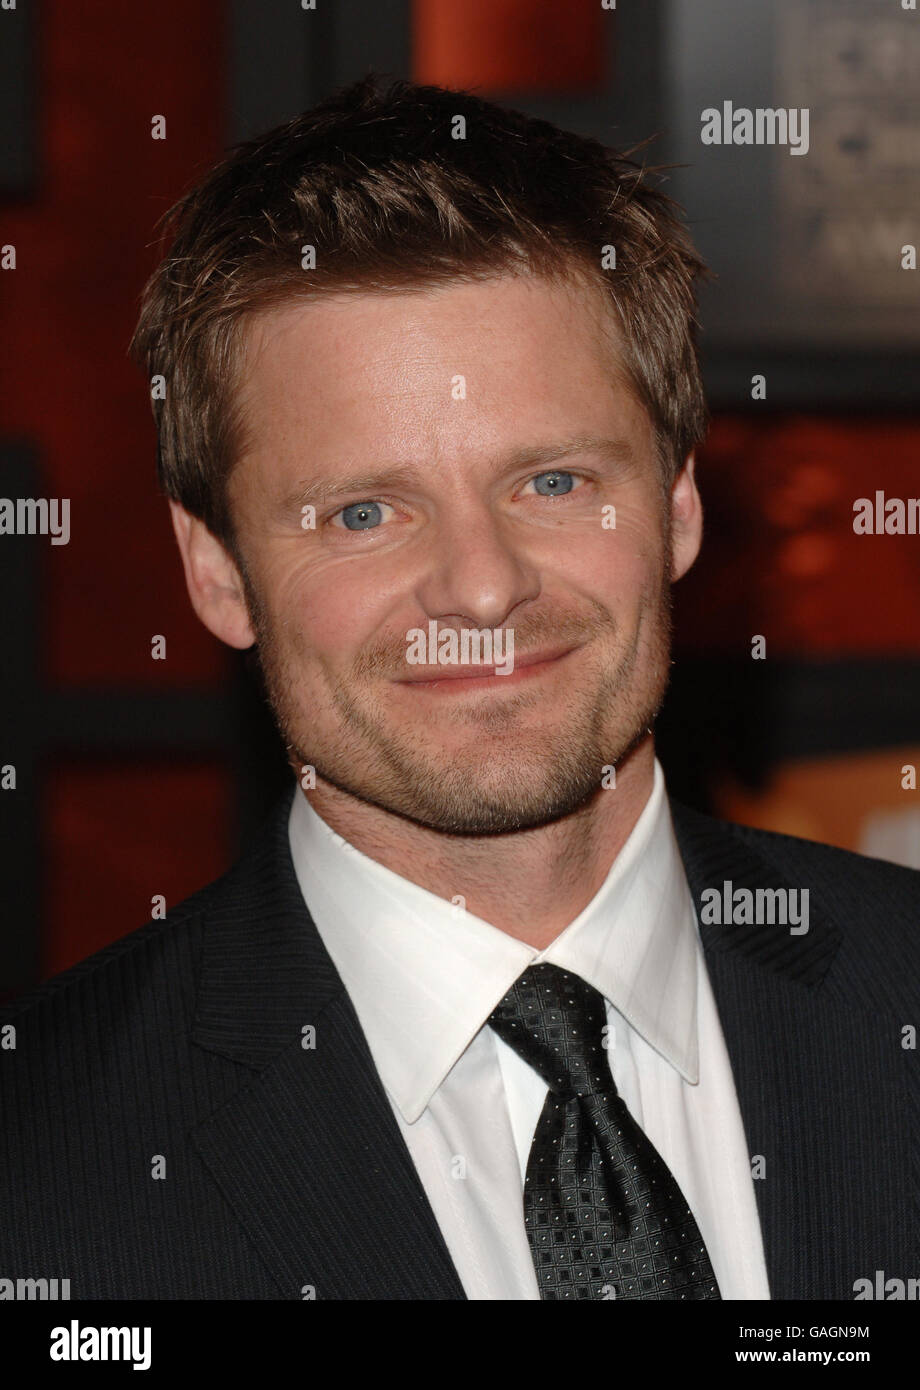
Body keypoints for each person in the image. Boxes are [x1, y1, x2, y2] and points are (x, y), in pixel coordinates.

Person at [2, 75, 916, 1302]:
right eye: (364, 511)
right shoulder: (39, 1175)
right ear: (215, 572)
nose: (479, 588)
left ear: (678, 505)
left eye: (549, 481)